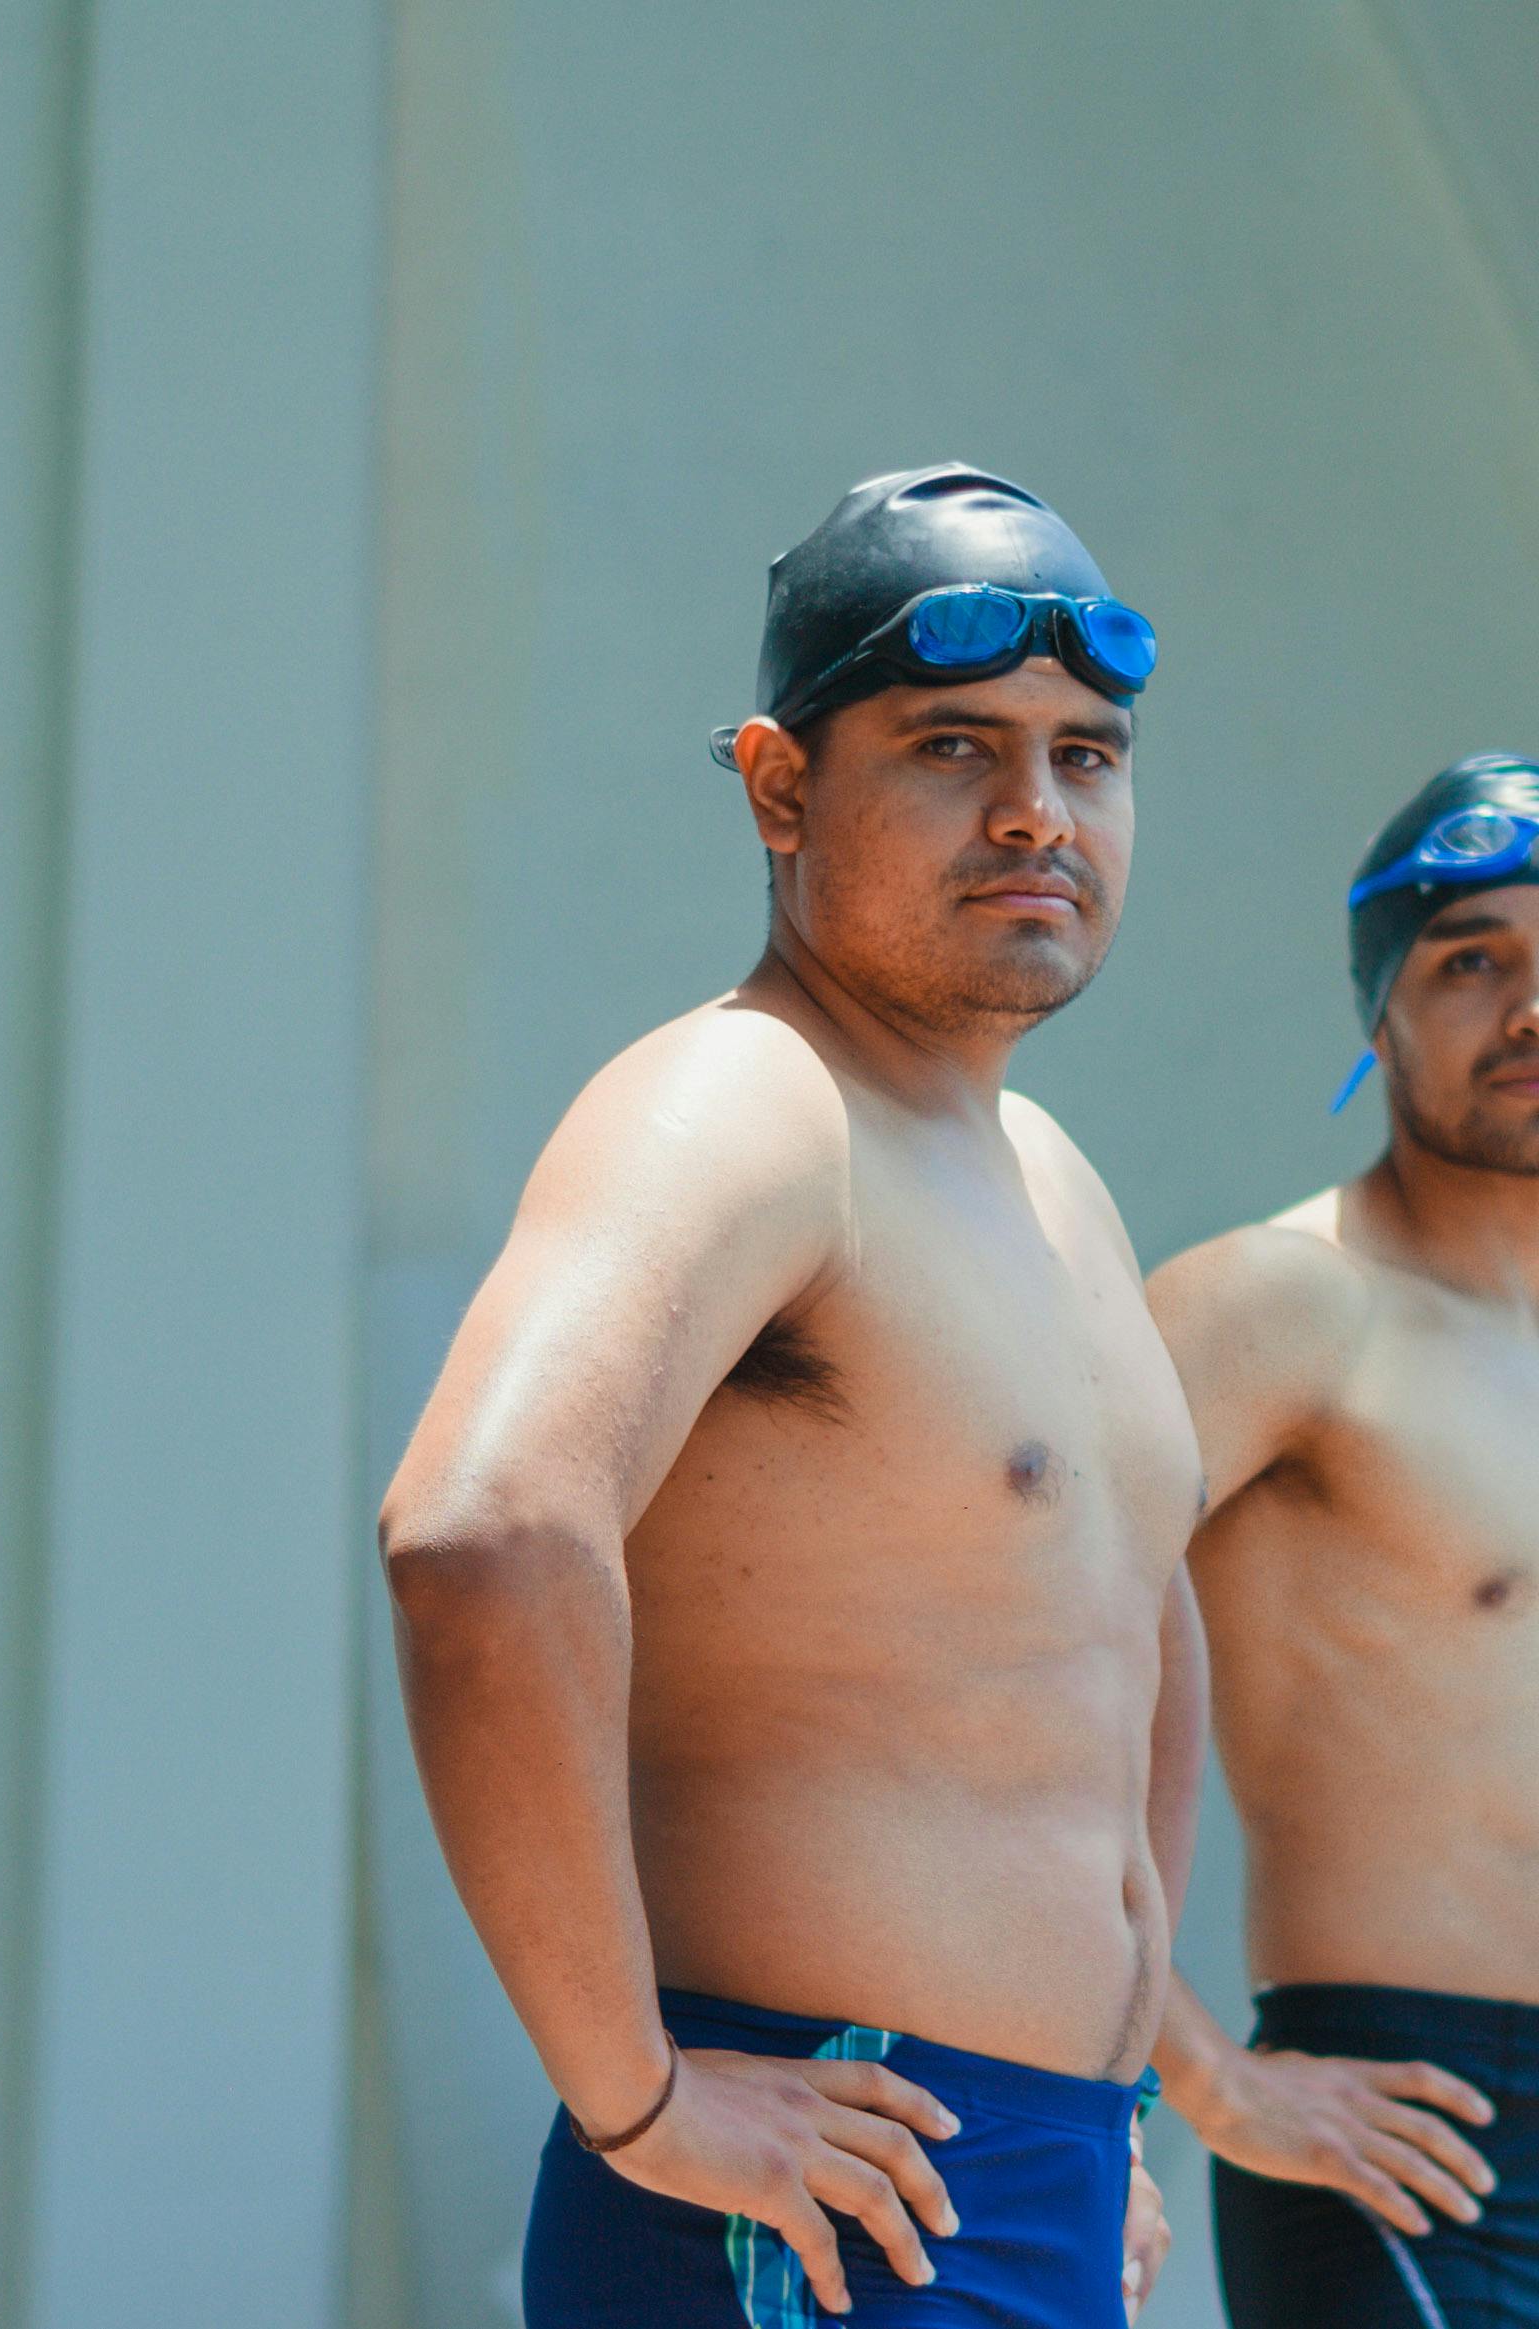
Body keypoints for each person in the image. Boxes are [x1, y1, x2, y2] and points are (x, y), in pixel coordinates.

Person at [379, 464, 1203, 2327]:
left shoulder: (1049, 1177)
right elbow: (483, 1539)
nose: (1035, 811)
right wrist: (642, 2103)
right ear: (777, 786)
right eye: (951, 747)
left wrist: (1122, 2095)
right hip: (811, 2204)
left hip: (1039, 2178)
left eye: (1089, 755)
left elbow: (1134, 1628)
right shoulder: (745, 1107)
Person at [1144, 754, 1539, 2327]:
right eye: (1472, 960)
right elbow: (993, 1651)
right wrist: (1193, 2075)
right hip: (1384, 2118)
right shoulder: (1281, 1304)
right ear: (1379, 1016)